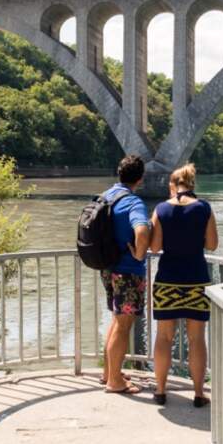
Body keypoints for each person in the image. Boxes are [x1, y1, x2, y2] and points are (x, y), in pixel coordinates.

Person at [148, 163, 218, 407]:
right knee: (196, 339)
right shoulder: (204, 208)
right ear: (192, 184)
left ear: (172, 185)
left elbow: (154, 248)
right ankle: (199, 393)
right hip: (196, 281)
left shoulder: (161, 209)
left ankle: (160, 390)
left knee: (164, 338)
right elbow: (212, 245)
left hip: (167, 280)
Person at [100, 155, 151, 394]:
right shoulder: (133, 202)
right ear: (140, 179)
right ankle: (115, 382)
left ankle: (108, 373)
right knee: (123, 325)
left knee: (116, 320)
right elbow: (141, 230)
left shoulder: (106, 196)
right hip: (128, 273)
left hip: (107, 268)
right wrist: (140, 255)